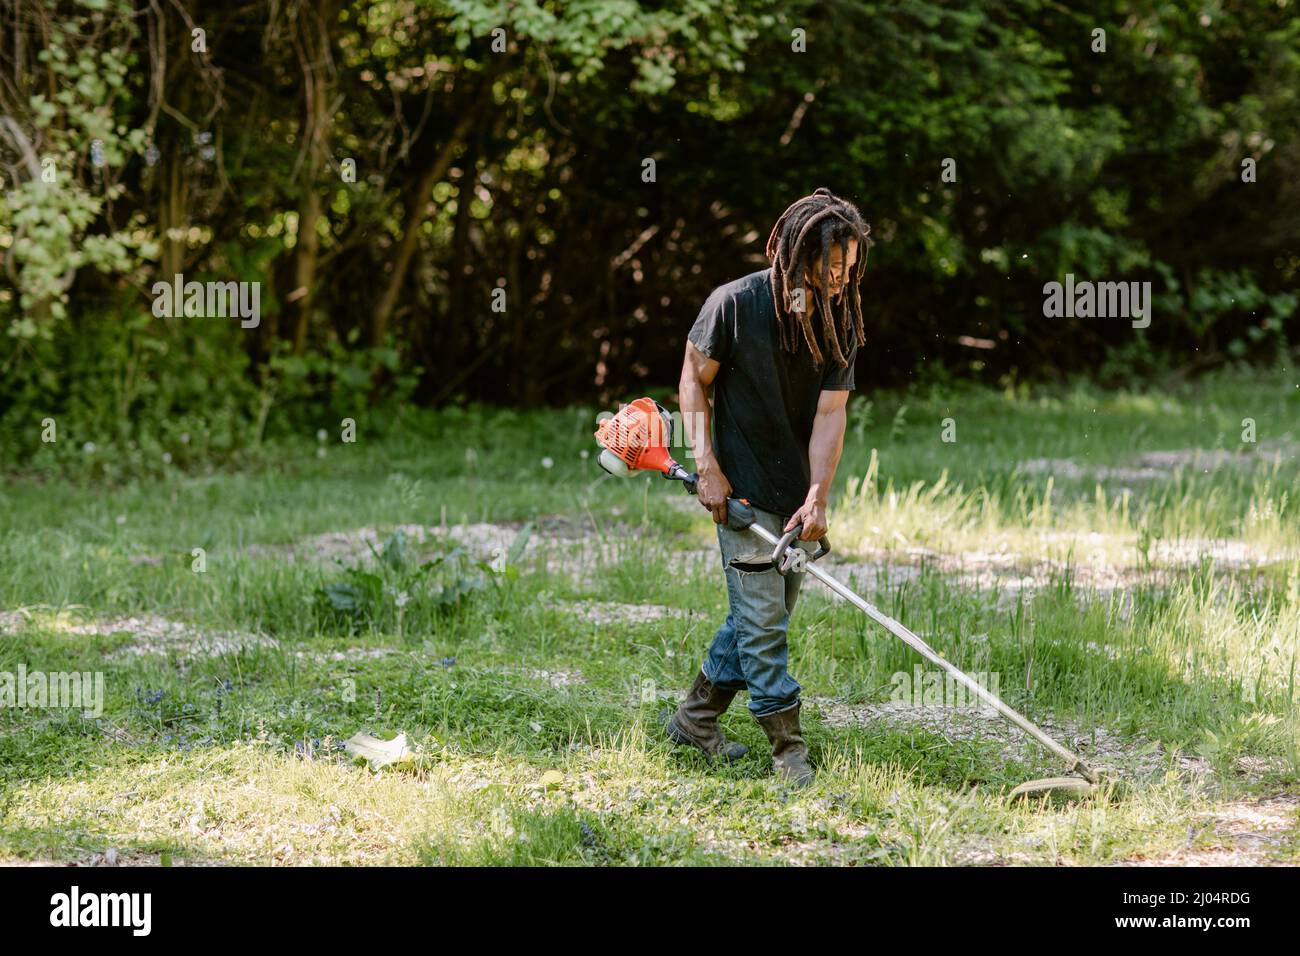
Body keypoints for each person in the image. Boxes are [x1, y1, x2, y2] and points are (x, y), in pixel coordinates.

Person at [666, 187, 871, 787]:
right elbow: (692, 379)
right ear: (799, 253)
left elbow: (831, 413)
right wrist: (706, 465)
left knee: (758, 617)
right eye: (832, 266)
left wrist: (817, 495)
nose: (841, 278)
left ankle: (695, 720)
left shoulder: (842, 319)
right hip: (740, 493)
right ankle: (788, 751)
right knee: (763, 626)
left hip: (791, 502)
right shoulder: (734, 303)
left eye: (850, 268)